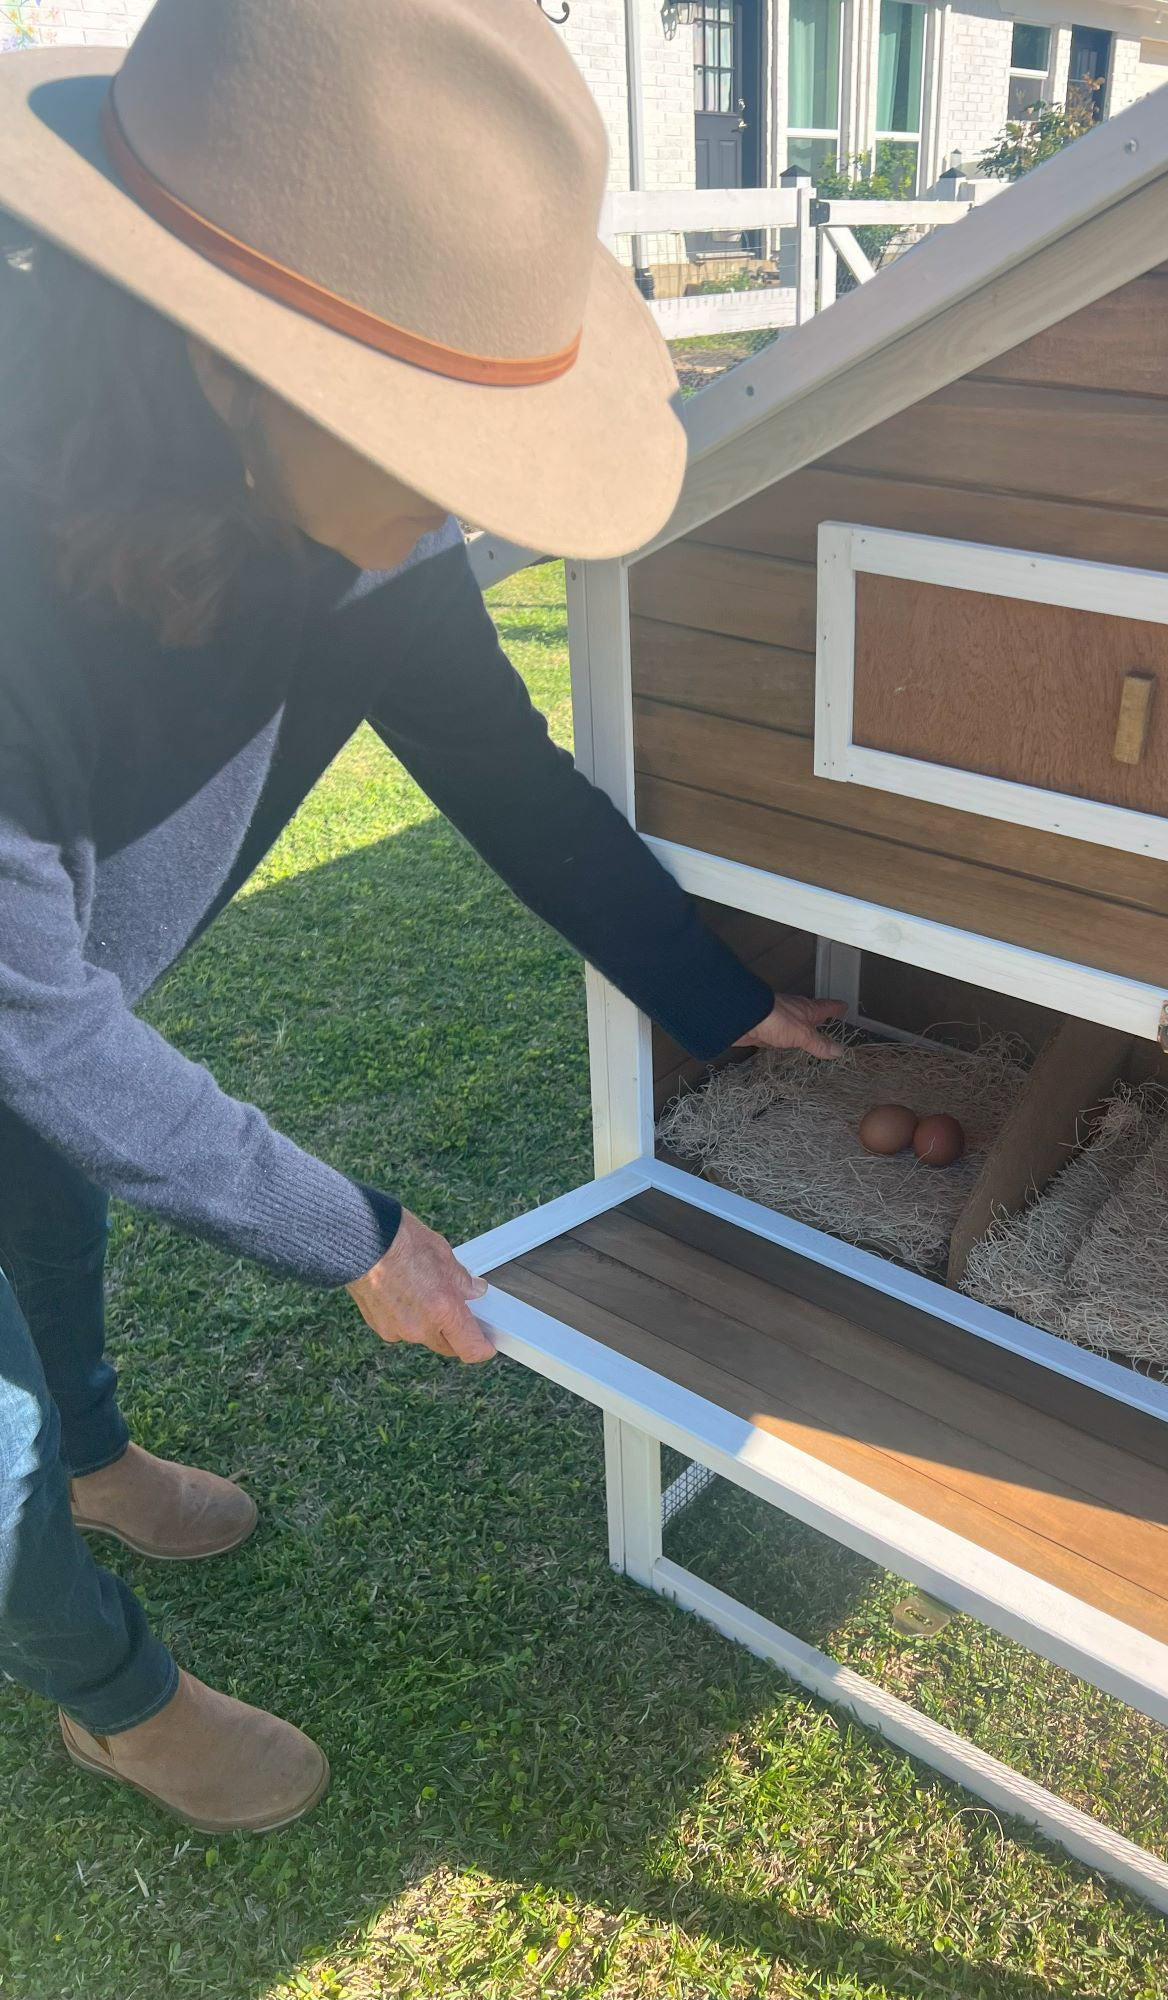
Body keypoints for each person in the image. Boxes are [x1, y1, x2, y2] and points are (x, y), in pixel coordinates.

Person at [0, 0, 842, 1835]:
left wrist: (713, 993)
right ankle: (107, 1684)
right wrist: (354, 1233)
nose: (463, 495)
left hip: (33, 1006)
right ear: (225, 372)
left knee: (43, 1202)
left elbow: (497, 763)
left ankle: (90, 1448)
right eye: (424, 433)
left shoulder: (355, 525)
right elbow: (32, 1018)